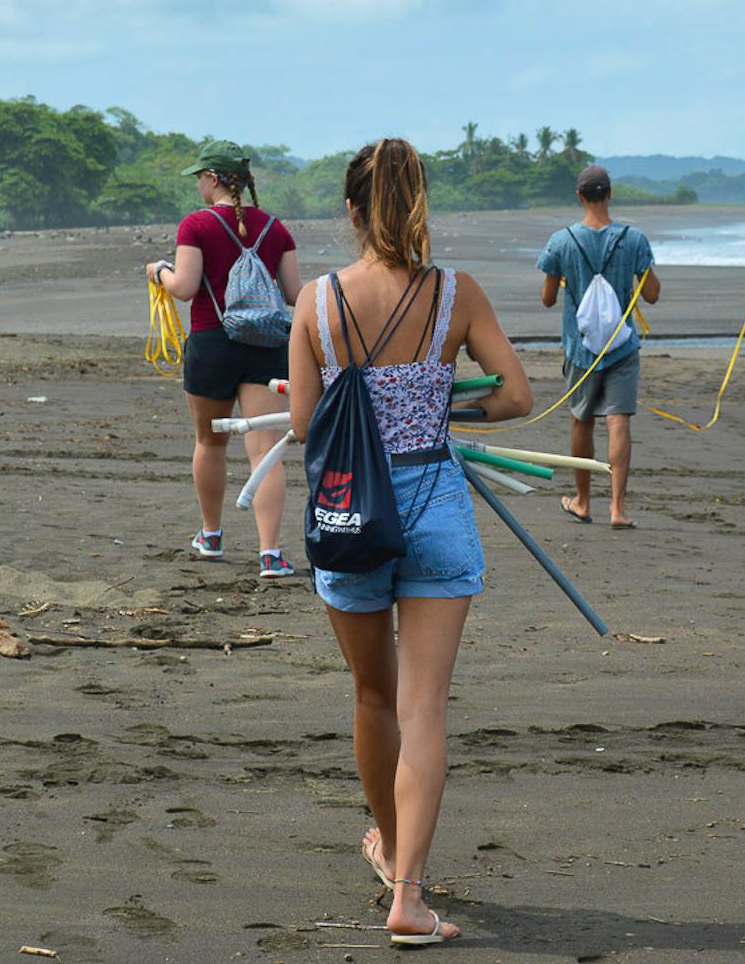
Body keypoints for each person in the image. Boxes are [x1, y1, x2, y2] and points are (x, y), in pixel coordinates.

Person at [285, 138, 532, 945]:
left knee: (372, 697)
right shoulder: (455, 294)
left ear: (350, 211)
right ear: (421, 203)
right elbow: (516, 396)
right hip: (433, 506)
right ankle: (410, 898)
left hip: (350, 513)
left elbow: (300, 425)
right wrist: (441, 409)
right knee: (424, 707)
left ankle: (391, 850)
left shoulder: (316, 302)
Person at [145, 139, 303, 577]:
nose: (198, 184)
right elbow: (294, 295)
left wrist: (158, 271)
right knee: (264, 451)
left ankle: (211, 535)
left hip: (212, 344)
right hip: (268, 346)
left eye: (200, 177)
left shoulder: (195, 226)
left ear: (213, 178)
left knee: (210, 442)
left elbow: (185, 288)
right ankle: (270, 553)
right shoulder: (276, 228)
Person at [537, 165, 660, 529]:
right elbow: (652, 294)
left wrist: (569, 280)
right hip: (622, 346)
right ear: (609, 194)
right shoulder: (633, 239)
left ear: (579, 196)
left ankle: (583, 501)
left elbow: (546, 299)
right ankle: (618, 509)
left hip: (580, 348)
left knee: (582, 420)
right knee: (618, 420)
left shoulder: (562, 241)